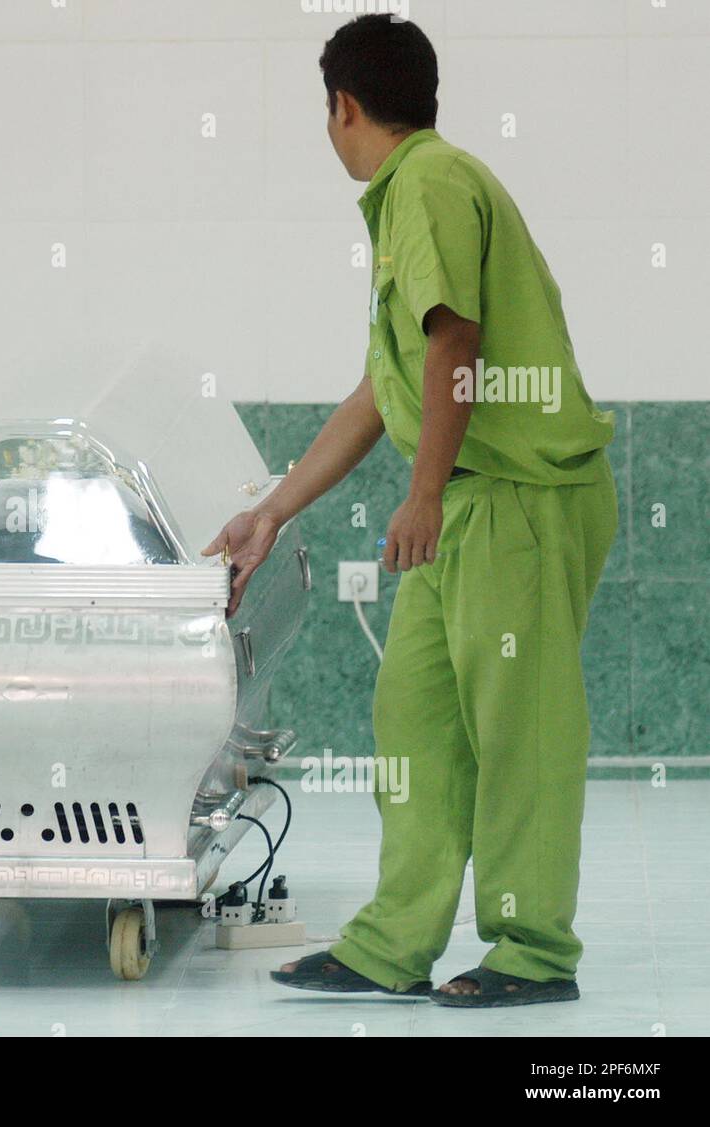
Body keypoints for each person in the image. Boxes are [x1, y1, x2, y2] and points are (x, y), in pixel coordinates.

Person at [204, 16, 617, 1007]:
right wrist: (274, 508)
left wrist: (421, 491)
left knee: (516, 728)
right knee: (417, 719)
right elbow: (381, 390)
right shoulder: (418, 192)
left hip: (516, 496)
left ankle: (530, 949)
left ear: (342, 106)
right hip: (470, 503)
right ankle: (392, 940)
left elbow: (455, 345)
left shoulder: (426, 185)